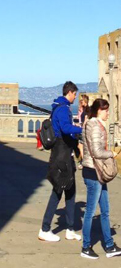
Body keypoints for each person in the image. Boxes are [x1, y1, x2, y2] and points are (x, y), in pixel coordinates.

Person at [79, 98, 121, 259]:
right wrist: (111, 154)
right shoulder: (94, 126)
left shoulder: (94, 124)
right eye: (106, 110)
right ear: (99, 110)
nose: (108, 113)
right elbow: (97, 151)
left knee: (105, 211)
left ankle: (109, 245)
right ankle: (86, 247)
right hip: (93, 172)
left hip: (96, 172)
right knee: (91, 212)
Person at [38, 81, 83, 242]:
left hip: (62, 156)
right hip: (62, 157)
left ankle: (70, 229)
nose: (75, 97)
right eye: (74, 94)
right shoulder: (63, 109)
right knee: (58, 192)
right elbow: (65, 128)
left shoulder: (57, 107)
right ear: (70, 93)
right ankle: (45, 229)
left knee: (70, 192)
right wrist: (81, 128)